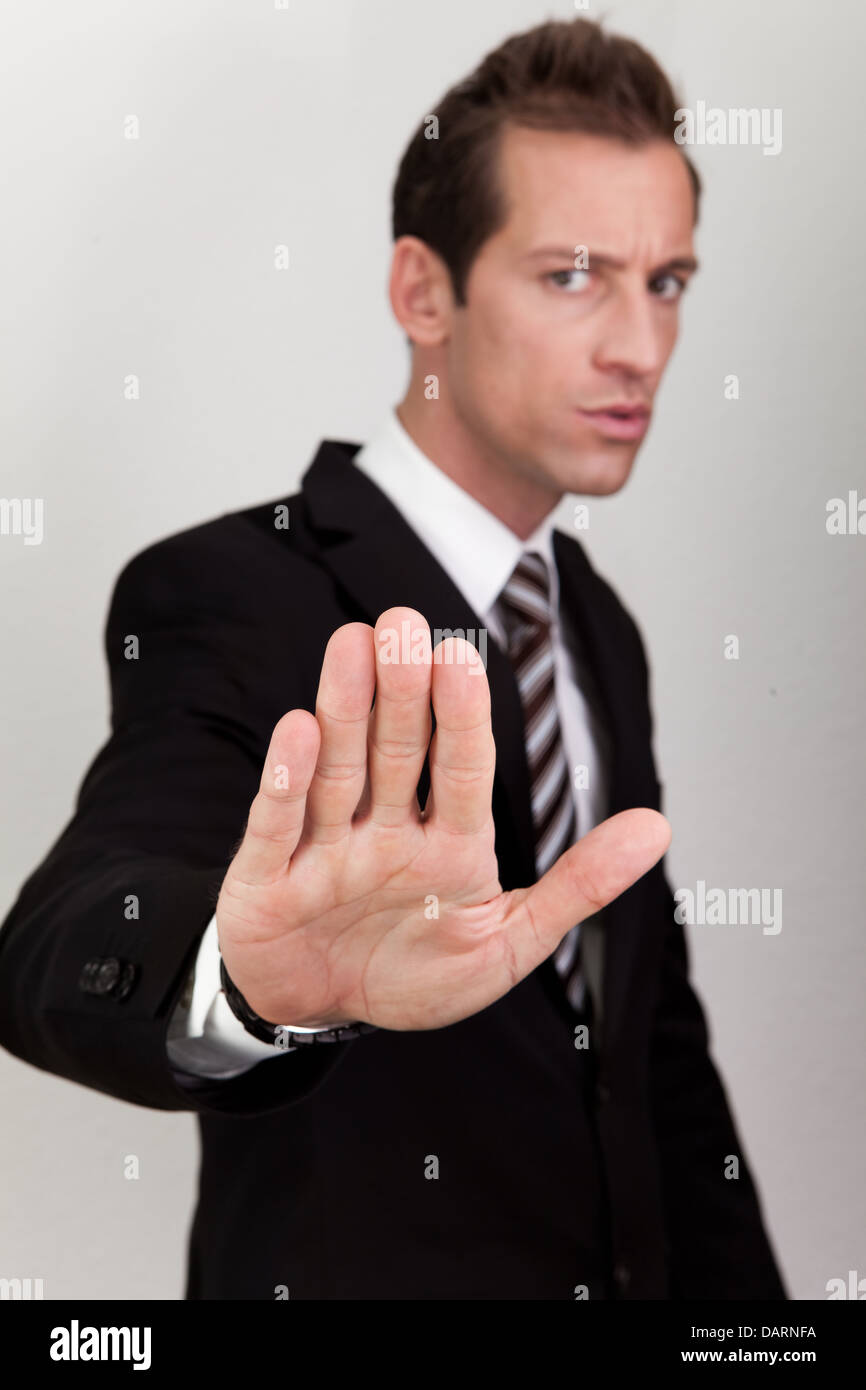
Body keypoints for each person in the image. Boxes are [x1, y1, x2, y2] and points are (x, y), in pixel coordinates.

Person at [0, 15, 787, 1300]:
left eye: (666, 283)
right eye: (571, 275)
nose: (638, 347)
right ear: (424, 291)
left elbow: (650, 1061)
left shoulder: (595, 626)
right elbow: (56, 940)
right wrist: (245, 982)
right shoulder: (234, 589)